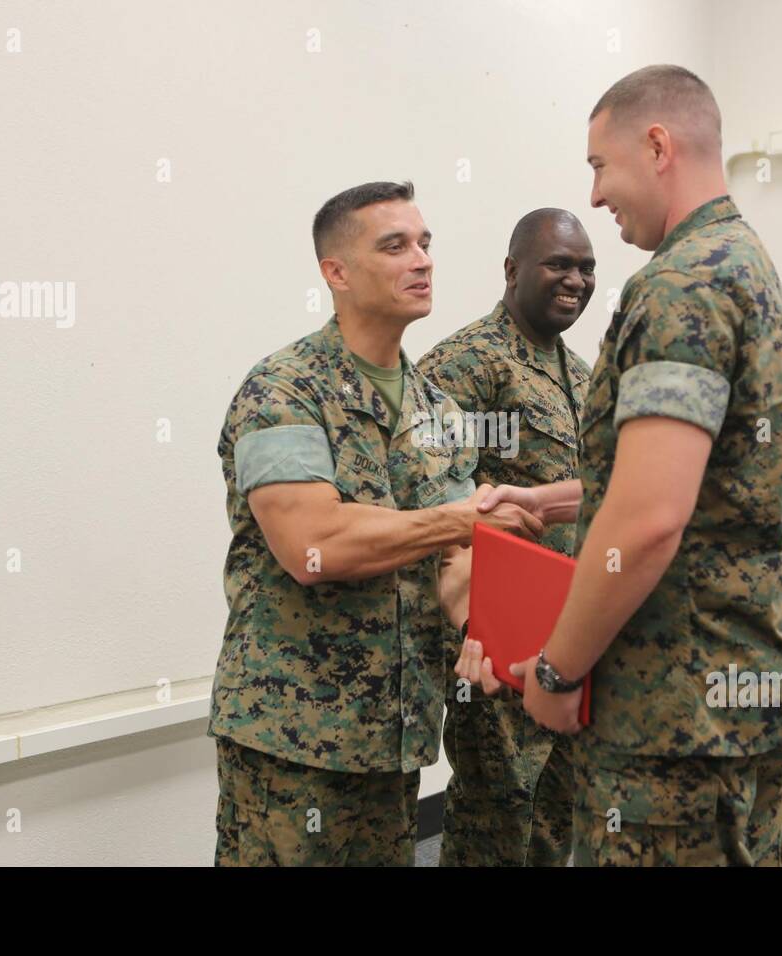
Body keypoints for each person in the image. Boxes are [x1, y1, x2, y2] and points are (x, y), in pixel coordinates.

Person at [482, 65, 782, 866]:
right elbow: (698, 480)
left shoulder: (680, 286)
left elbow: (648, 521)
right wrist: (546, 498)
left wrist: (558, 671)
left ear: (657, 145)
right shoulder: (743, 262)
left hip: (678, 712)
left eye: (600, 166)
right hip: (753, 677)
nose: (597, 195)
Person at [210, 180, 542, 866]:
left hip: (397, 736)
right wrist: (459, 517)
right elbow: (315, 544)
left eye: (425, 244)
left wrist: (484, 627)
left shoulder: (440, 412)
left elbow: (454, 564)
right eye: (395, 246)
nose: (421, 260)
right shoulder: (283, 390)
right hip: (293, 741)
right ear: (336, 272)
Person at [417, 208, 596, 866]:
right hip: (493, 635)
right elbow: (432, 493)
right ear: (513, 270)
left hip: (569, 630)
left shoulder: (583, 375)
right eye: (559, 264)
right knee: (499, 805)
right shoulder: (467, 362)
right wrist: (472, 621)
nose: (575, 279)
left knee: (560, 800)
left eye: (586, 267)